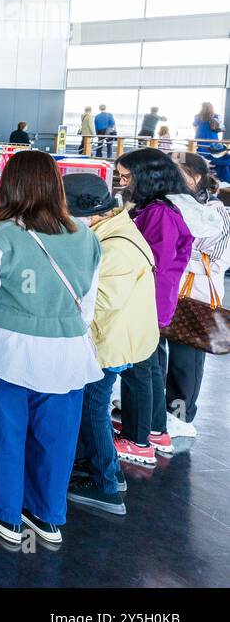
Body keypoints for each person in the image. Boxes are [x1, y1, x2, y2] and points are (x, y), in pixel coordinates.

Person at [0, 149, 102, 547]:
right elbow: (87, 304)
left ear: (10, 186)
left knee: (2, 432)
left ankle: (3, 510)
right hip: (69, 354)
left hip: (10, 352)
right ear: (56, 186)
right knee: (56, 438)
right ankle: (46, 514)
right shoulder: (85, 236)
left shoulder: (0, 236)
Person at [61, 174, 155, 517]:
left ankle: (105, 487)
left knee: (93, 410)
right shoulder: (113, 233)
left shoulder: (114, 246)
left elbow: (98, 301)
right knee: (94, 409)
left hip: (110, 343)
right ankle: (109, 473)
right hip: (116, 338)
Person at [112, 148, 193, 468]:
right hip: (150, 303)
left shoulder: (159, 214)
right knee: (149, 368)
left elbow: (150, 262)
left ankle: (137, 439)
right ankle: (154, 429)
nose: (121, 183)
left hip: (145, 303)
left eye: (126, 177)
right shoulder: (158, 209)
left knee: (138, 370)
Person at [163, 152, 230, 437]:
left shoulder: (217, 212)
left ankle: (180, 416)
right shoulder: (167, 205)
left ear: (196, 177)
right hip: (165, 291)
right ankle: (156, 409)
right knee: (153, 355)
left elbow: (215, 255)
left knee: (184, 360)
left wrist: (174, 253)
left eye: (179, 173)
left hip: (193, 295)